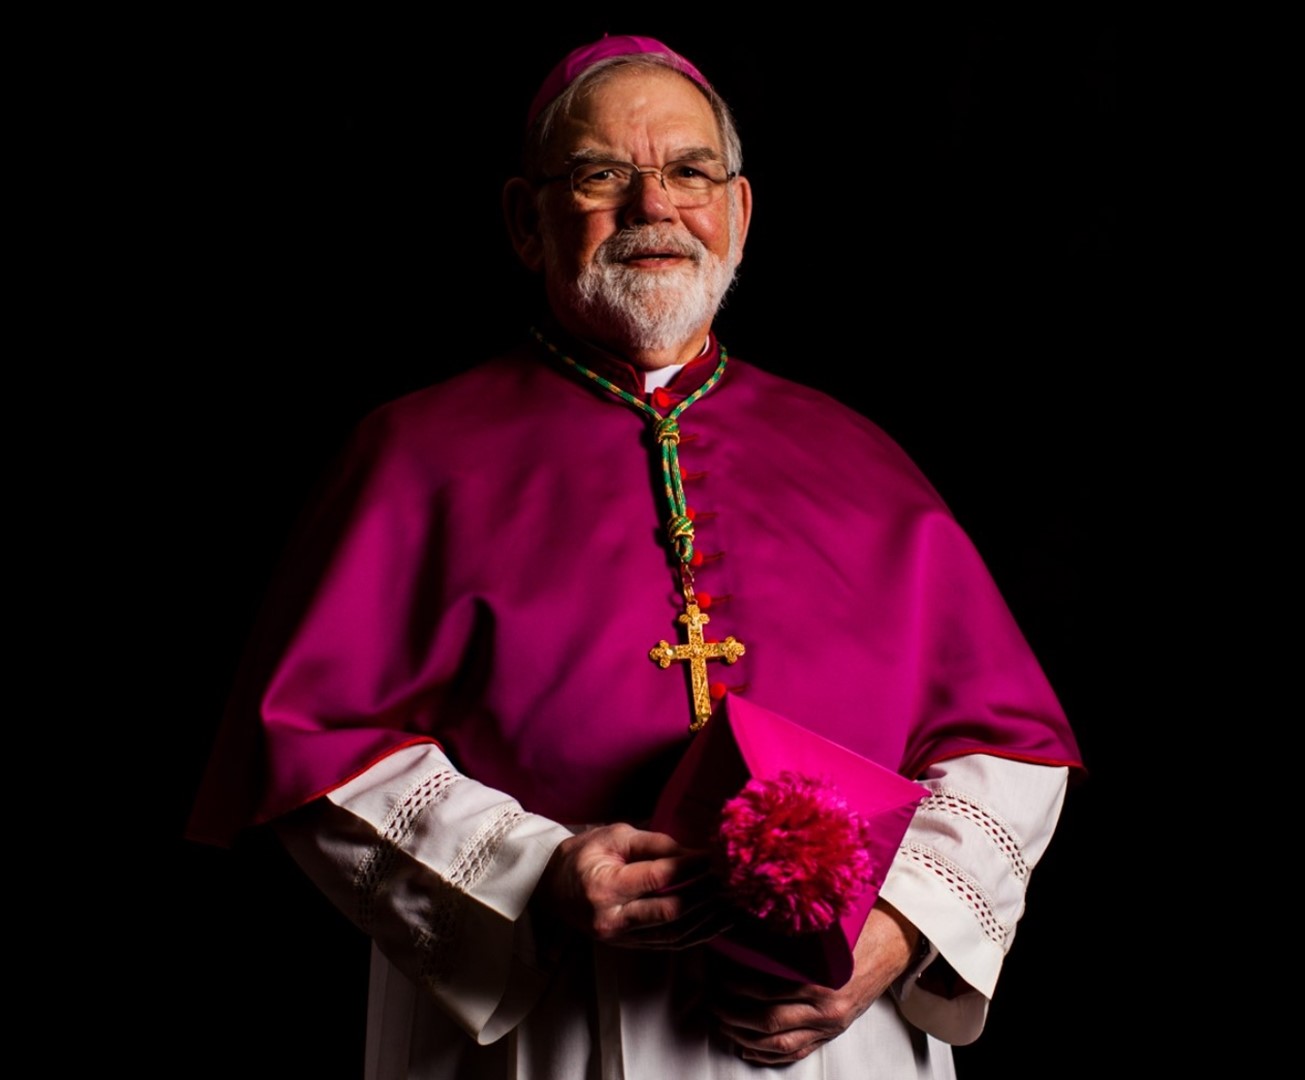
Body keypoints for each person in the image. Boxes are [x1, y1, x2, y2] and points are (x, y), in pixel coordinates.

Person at [188, 34, 1082, 1079]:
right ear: (528, 220)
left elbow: (1012, 749)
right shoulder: (412, 456)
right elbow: (314, 749)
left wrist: (898, 929)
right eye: (602, 174)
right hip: (549, 1026)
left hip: (836, 1038)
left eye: (691, 172)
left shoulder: (858, 455)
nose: (654, 208)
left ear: (739, 214)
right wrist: (537, 875)